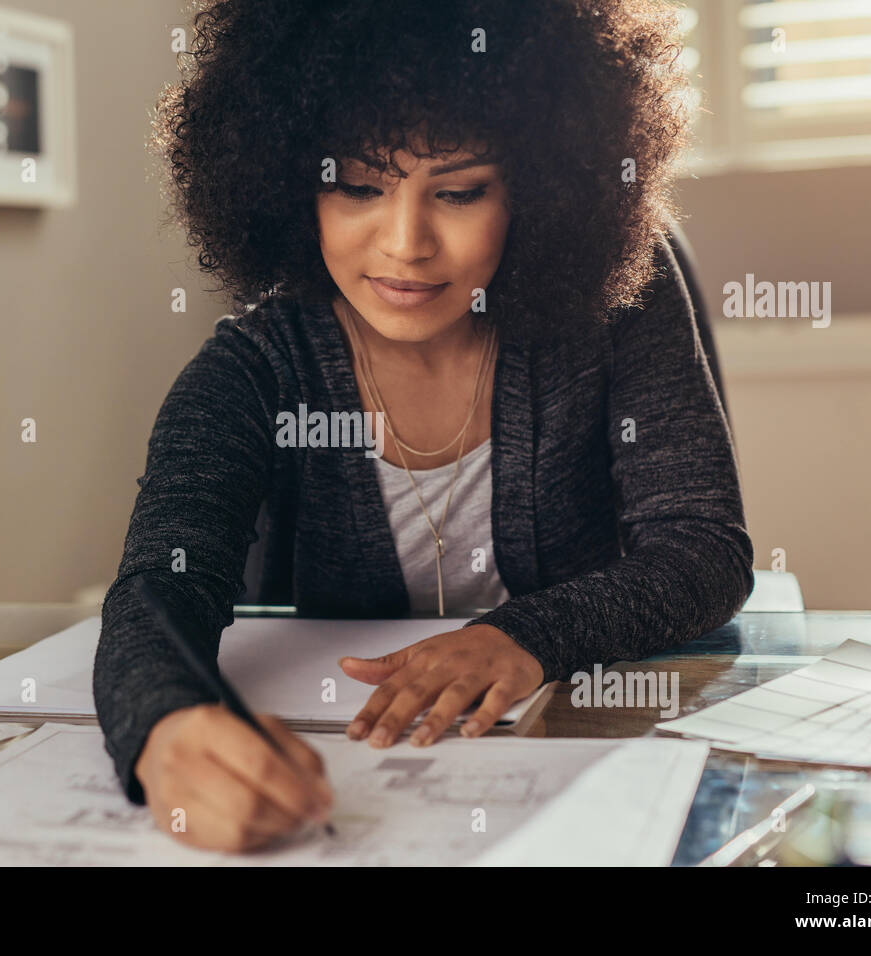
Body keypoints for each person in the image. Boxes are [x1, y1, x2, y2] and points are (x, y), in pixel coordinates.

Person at [95, 0, 753, 853]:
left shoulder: (617, 303)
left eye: (460, 191)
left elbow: (703, 547)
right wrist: (165, 728)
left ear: (539, 189)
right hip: (373, 795)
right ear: (294, 187)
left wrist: (525, 637)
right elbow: (160, 584)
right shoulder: (259, 368)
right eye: (359, 187)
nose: (406, 244)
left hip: (594, 765)